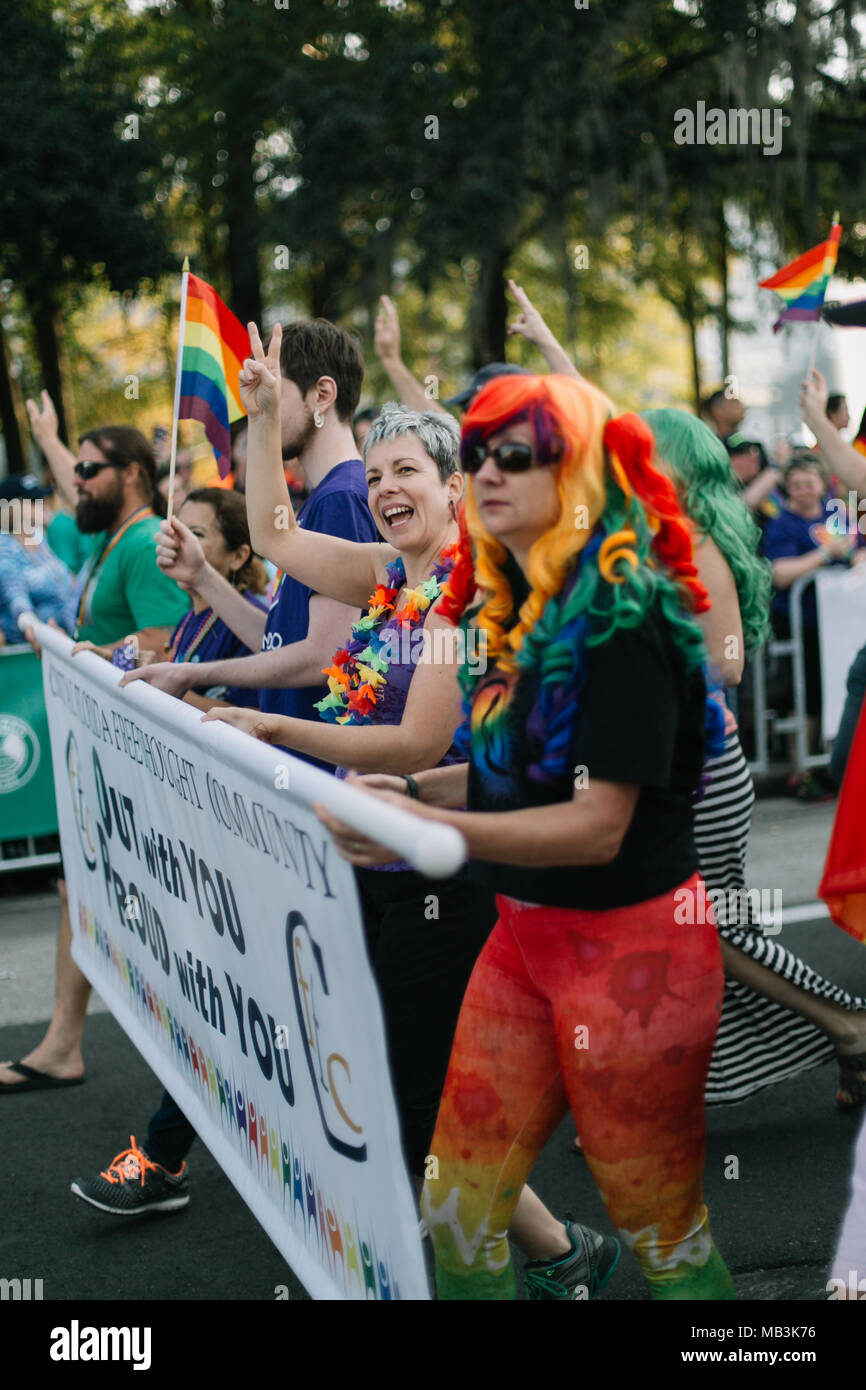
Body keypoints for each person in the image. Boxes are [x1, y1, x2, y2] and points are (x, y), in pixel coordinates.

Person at [321, 373, 736, 1300]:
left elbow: (597, 824)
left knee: (661, 1235)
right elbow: (520, 772)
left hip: (637, 955)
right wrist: (414, 786)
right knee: (457, 1208)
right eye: (477, 455)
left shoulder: (623, 620)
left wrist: (435, 828)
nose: (487, 473)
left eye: (519, 454)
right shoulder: (510, 606)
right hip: (523, 940)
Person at [646, 410, 866, 1110]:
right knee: (690, 929)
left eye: (646, 454)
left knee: (712, 927)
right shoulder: (659, 535)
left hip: (703, 769)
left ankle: (849, 1025)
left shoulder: (696, 540)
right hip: (681, 765)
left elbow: (728, 663)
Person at [70, 490, 268, 1211]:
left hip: (248, 850)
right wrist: (105, 656)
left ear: (240, 555)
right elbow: (158, 660)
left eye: (197, 531)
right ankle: (165, 1159)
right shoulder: (197, 616)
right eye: (171, 522)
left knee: (221, 1006)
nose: (171, 537)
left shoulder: (250, 629)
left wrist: (182, 704)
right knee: (209, 1004)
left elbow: (259, 720)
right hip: (202, 849)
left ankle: (163, 1160)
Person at [1, 410, 190, 1094]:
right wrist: (53, 441)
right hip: (110, 753)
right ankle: (62, 1045)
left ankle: (190, 1068)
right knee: (76, 884)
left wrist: (96, 653)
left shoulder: (143, 544)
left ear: (132, 475)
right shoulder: (112, 538)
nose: (75, 483)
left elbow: (164, 645)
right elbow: (79, 484)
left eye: (89, 471)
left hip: (145, 757)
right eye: (73, 470)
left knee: (133, 901)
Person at [119, 319, 379, 772]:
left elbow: (323, 655)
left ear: (323, 394)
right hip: (296, 762)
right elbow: (282, 642)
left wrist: (190, 674)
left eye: (276, 390)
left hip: (315, 769)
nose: (261, 406)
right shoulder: (326, 496)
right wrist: (203, 575)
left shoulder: (342, 497)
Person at [763, 455, 861, 794]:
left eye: (810, 483)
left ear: (822, 484)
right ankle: (802, 770)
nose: (804, 491)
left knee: (835, 690)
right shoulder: (782, 524)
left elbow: (856, 549)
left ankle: (833, 764)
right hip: (801, 625)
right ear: (787, 489)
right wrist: (825, 555)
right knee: (804, 694)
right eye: (796, 485)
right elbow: (781, 573)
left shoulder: (837, 514)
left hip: (842, 623)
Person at [0, 474, 71, 642]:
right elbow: (16, 599)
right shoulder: (4, 546)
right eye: (34, 501)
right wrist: (32, 625)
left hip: (61, 641)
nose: (44, 503)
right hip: (30, 650)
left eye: (43, 497)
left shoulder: (40, 541)